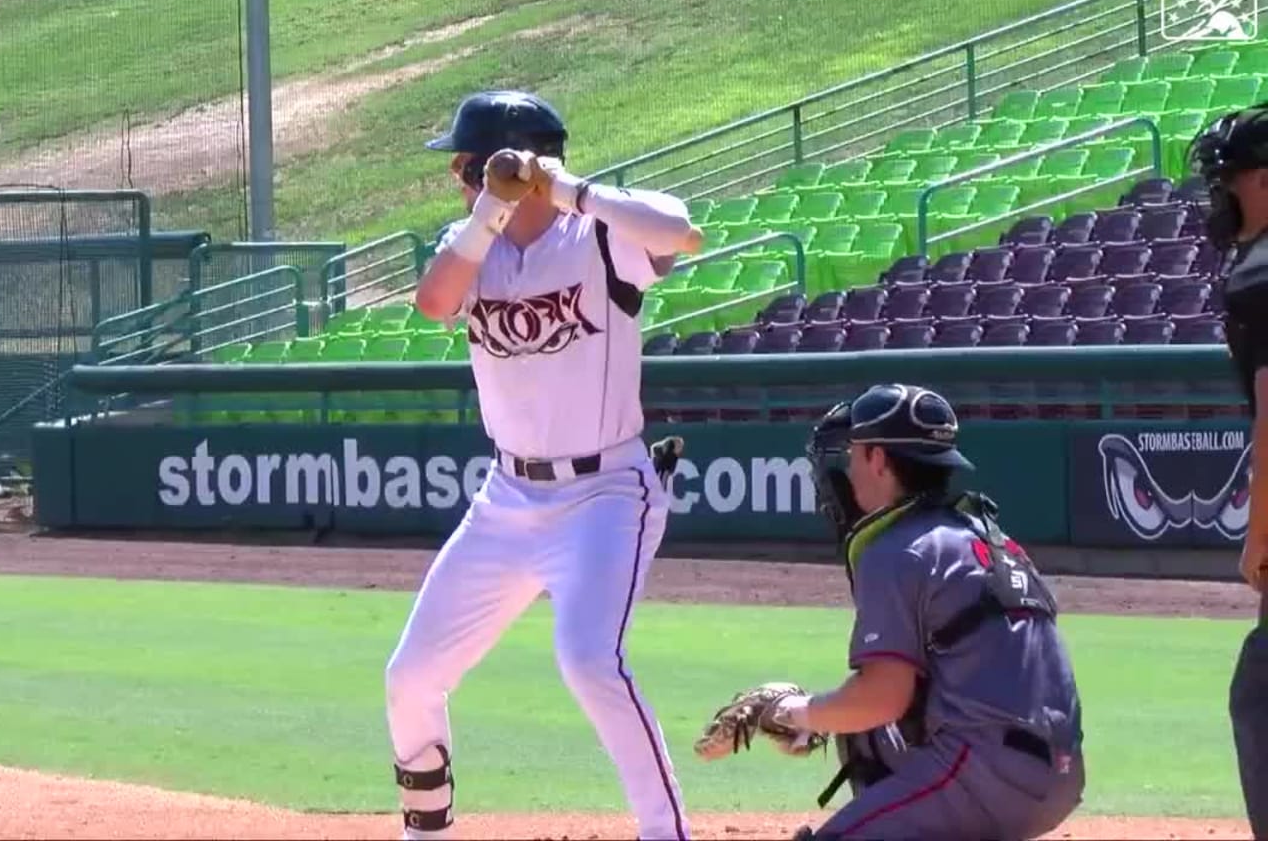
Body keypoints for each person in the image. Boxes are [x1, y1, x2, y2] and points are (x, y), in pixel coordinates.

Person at [382, 89, 704, 841]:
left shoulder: (596, 238)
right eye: (468, 169)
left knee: (590, 661)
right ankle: (425, 833)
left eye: (467, 164)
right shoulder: (471, 241)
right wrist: (491, 209)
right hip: (507, 497)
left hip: (604, 491)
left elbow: (683, 232)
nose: (463, 179)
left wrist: (560, 186)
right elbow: (433, 303)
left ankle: (668, 834)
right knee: (411, 677)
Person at [771, 383, 1086, 840]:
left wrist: (794, 713)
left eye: (854, 451)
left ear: (879, 459)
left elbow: (883, 697)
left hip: (987, 772)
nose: (847, 467)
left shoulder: (899, 548)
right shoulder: (985, 535)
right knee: (867, 736)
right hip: (1061, 773)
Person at [1187, 102, 1268, 839]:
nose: (1220, 194)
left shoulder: (1261, 273)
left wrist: (1258, 531)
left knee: (1261, 697)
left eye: (1231, 179)